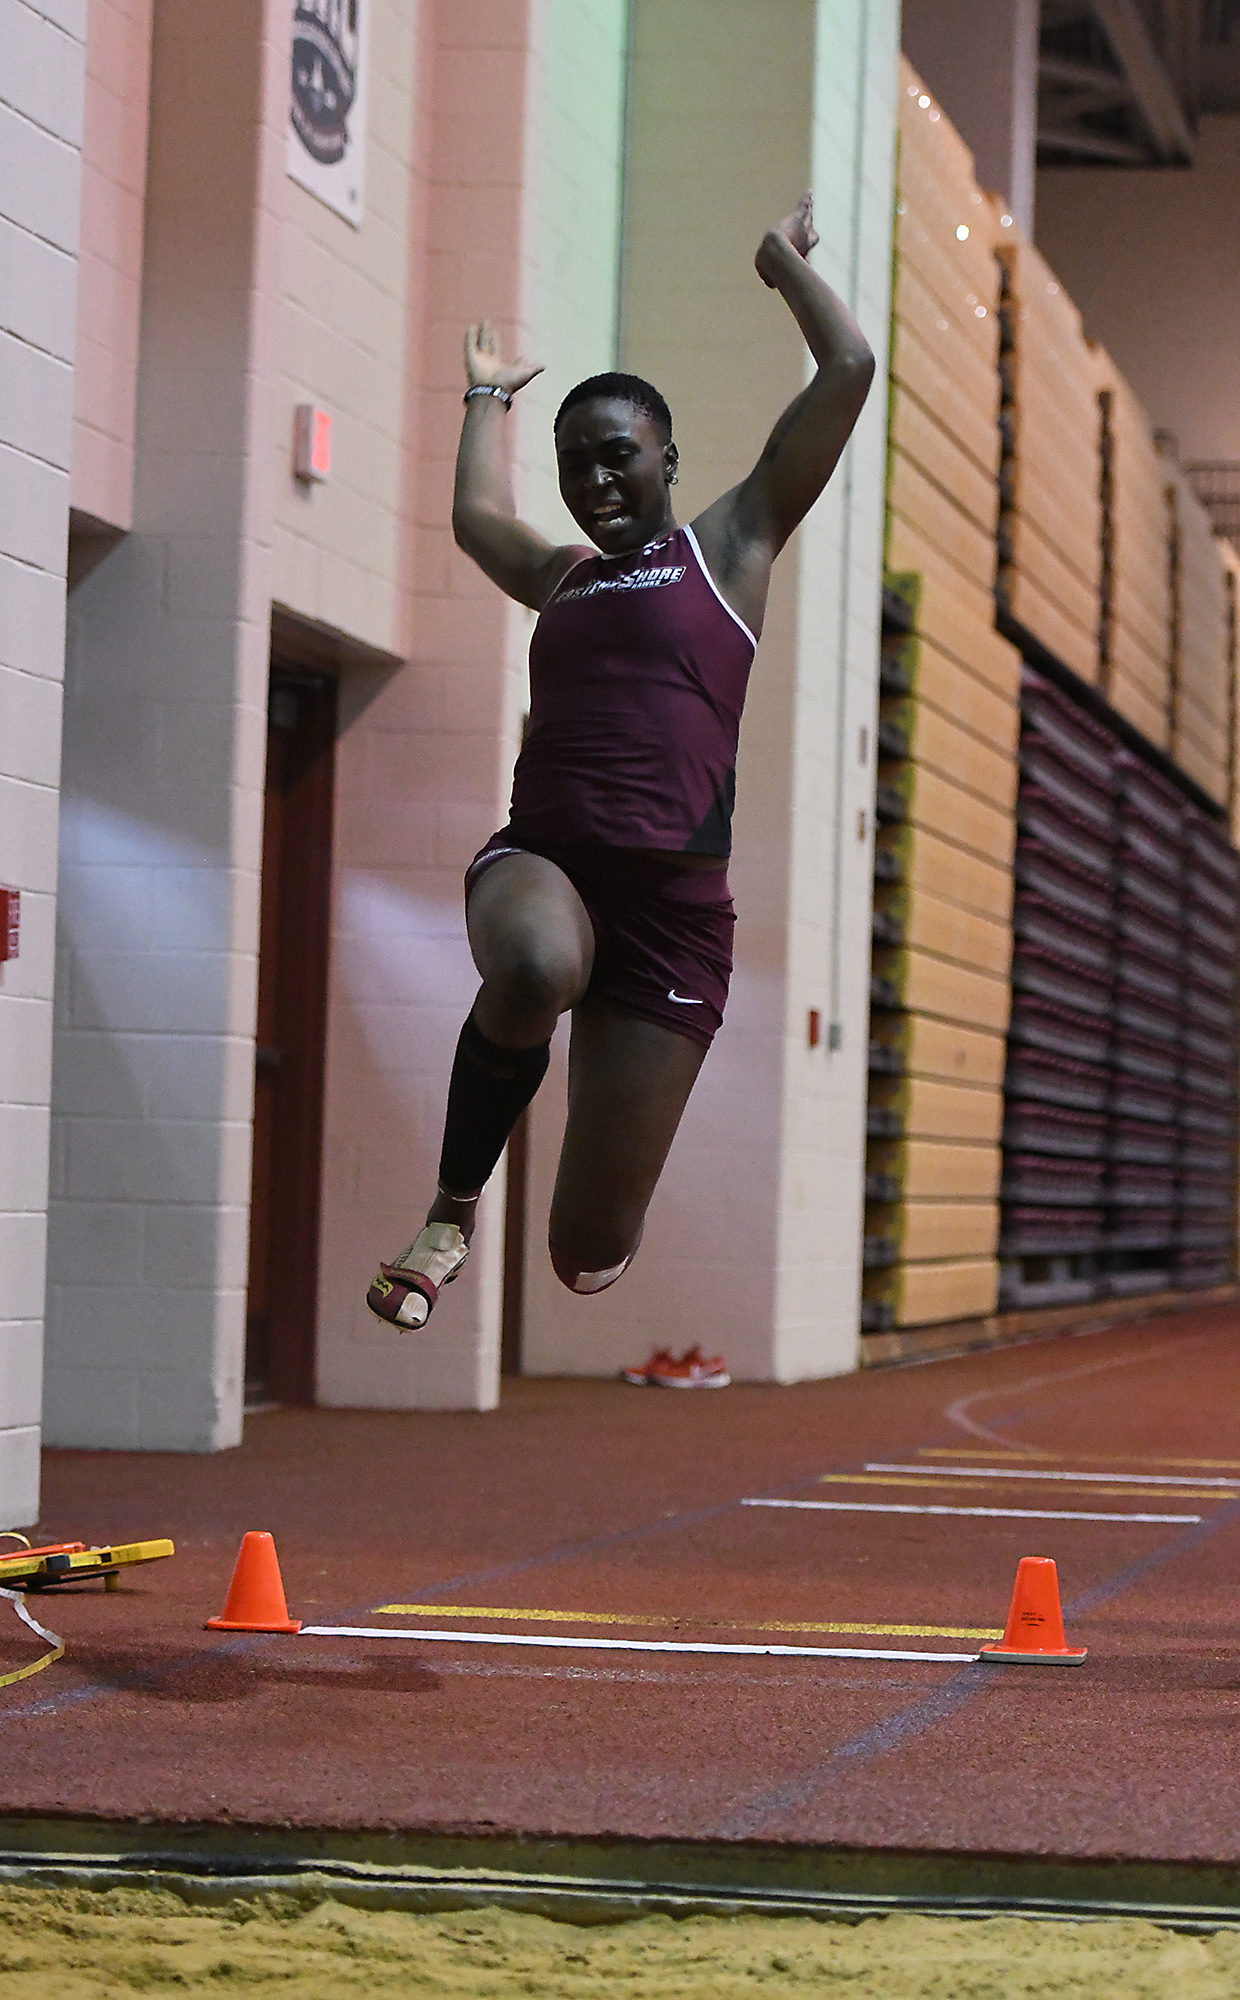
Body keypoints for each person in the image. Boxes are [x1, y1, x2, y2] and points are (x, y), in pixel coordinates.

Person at [366, 192, 874, 1334]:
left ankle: (577, 1206)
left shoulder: (734, 545)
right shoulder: (560, 577)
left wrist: (775, 264)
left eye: (616, 458)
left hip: (674, 917)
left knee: (585, 1252)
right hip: (543, 860)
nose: (594, 481)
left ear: (667, 457)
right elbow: (473, 517)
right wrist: (488, 397)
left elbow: (847, 366)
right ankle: (448, 1215)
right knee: (538, 966)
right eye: (574, 464)